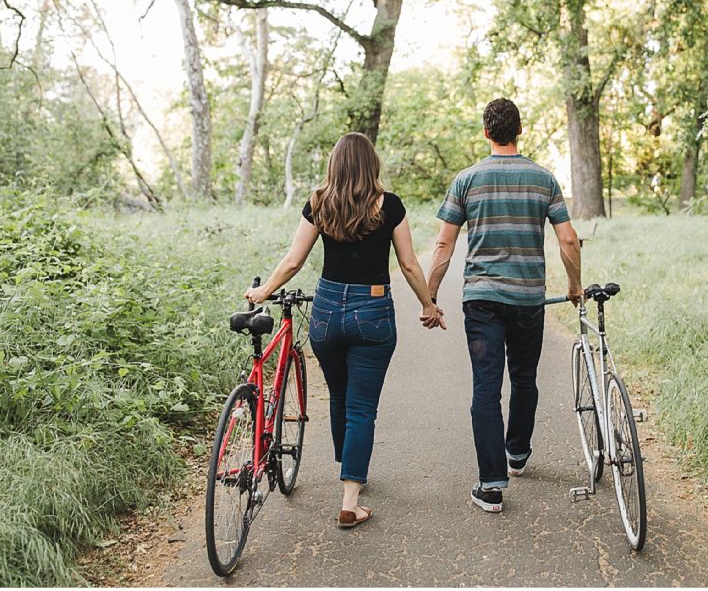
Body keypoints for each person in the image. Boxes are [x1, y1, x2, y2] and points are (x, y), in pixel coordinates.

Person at [247, 132, 444, 529]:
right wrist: (428, 304)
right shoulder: (389, 205)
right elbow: (408, 264)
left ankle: (348, 465)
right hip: (372, 310)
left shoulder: (319, 203)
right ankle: (350, 500)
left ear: (335, 164)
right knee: (361, 408)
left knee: (340, 395)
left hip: (327, 311)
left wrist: (263, 291)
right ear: (372, 164)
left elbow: (293, 261)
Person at [426, 97, 582, 514]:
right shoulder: (544, 179)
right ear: (520, 130)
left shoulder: (467, 179)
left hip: (482, 300)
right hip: (528, 298)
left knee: (486, 387)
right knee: (525, 378)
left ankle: (491, 486)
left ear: (486, 132)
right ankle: (517, 452)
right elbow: (568, 239)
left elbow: (444, 244)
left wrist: (430, 297)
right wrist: (574, 285)